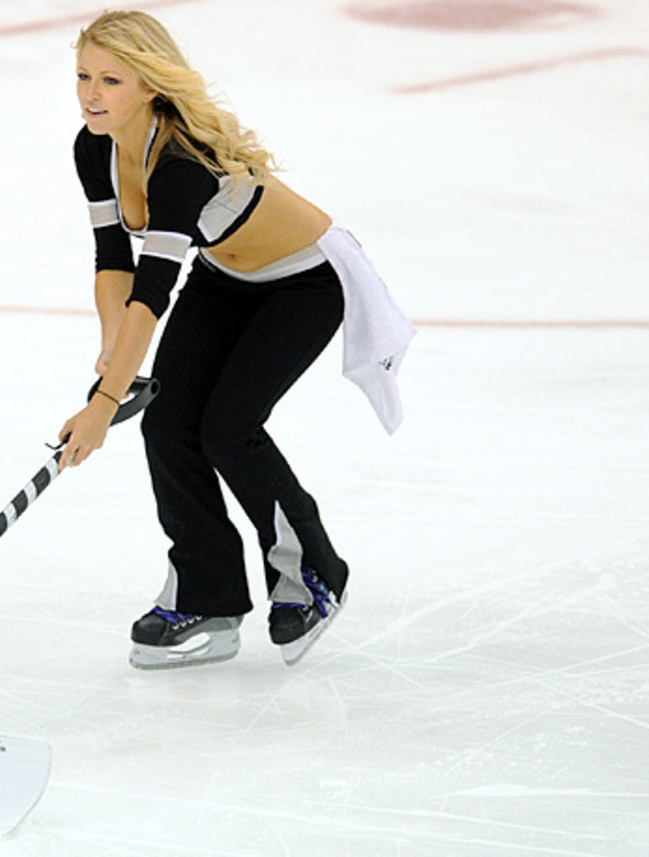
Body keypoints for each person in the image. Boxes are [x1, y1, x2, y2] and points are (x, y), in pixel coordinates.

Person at [57, 10, 415, 669]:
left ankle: (313, 574)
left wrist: (103, 405)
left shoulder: (181, 164)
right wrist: (112, 356)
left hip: (305, 282)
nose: (91, 94)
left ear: (150, 85)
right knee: (168, 424)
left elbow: (152, 294)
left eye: (111, 80)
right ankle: (208, 597)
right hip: (225, 276)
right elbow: (114, 259)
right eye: (84, 76)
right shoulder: (94, 148)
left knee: (228, 428)